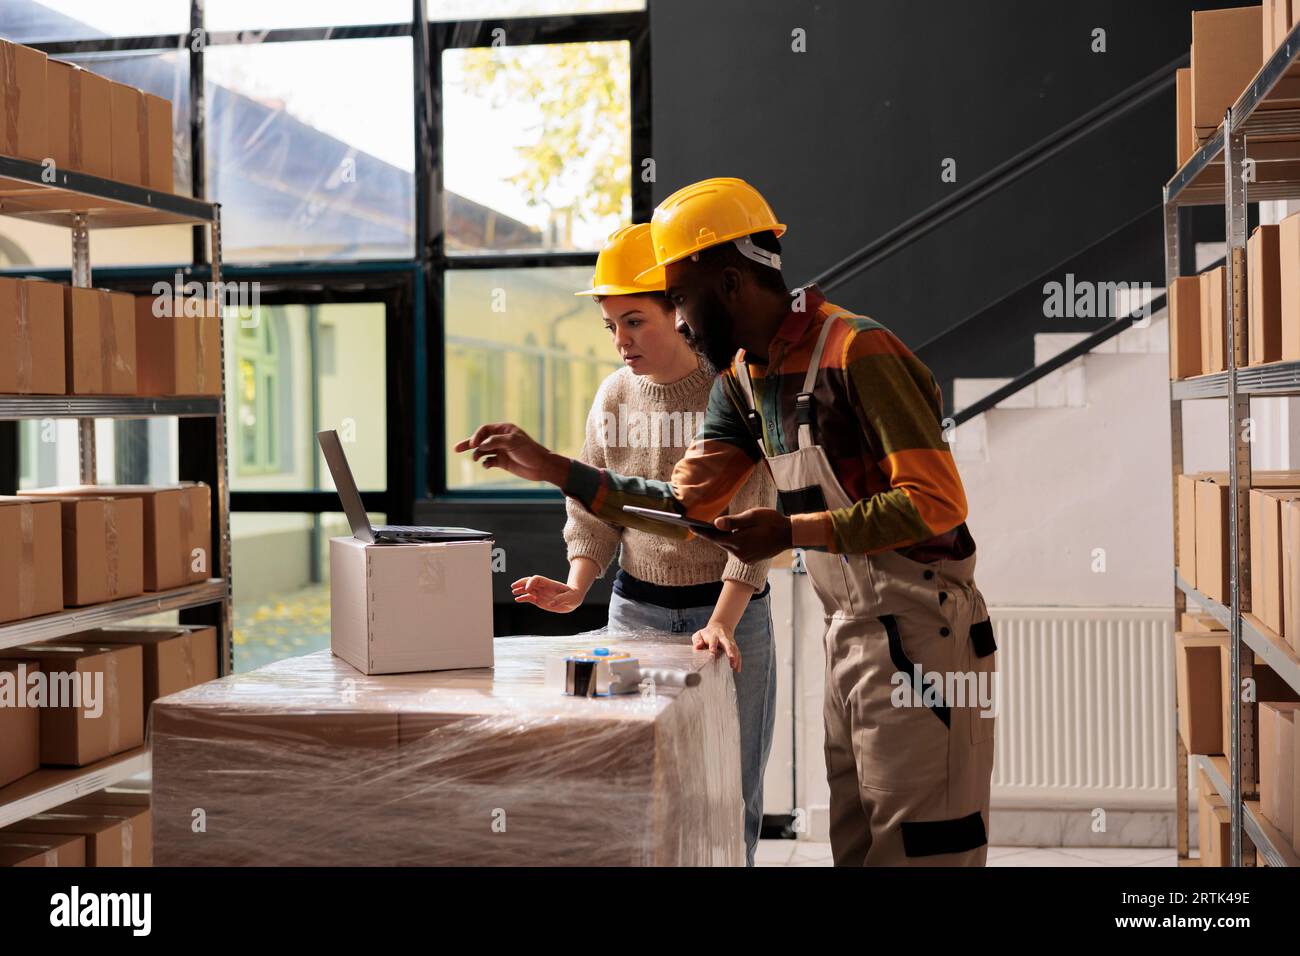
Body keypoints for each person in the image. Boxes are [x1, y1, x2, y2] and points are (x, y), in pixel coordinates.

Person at [456, 177, 997, 867]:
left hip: (925, 628)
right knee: (860, 843)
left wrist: (793, 533)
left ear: (732, 282)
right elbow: (682, 510)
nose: (678, 322)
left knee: (924, 850)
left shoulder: (860, 352)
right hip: (850, 631)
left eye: (680, 298)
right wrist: (558, 468)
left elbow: (936, 502)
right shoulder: (745, 382)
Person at [510, 223, 778, 867]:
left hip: (732, 617)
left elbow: (755, 515)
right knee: (642, 783)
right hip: (636, 614)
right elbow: (595, 507)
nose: (621, 341)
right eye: (611, 327)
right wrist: (577, 585)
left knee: (731, 787)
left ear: (678, 312)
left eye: (634, 320)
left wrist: (720, 624)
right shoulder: (613, 395)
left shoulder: (731, 385)